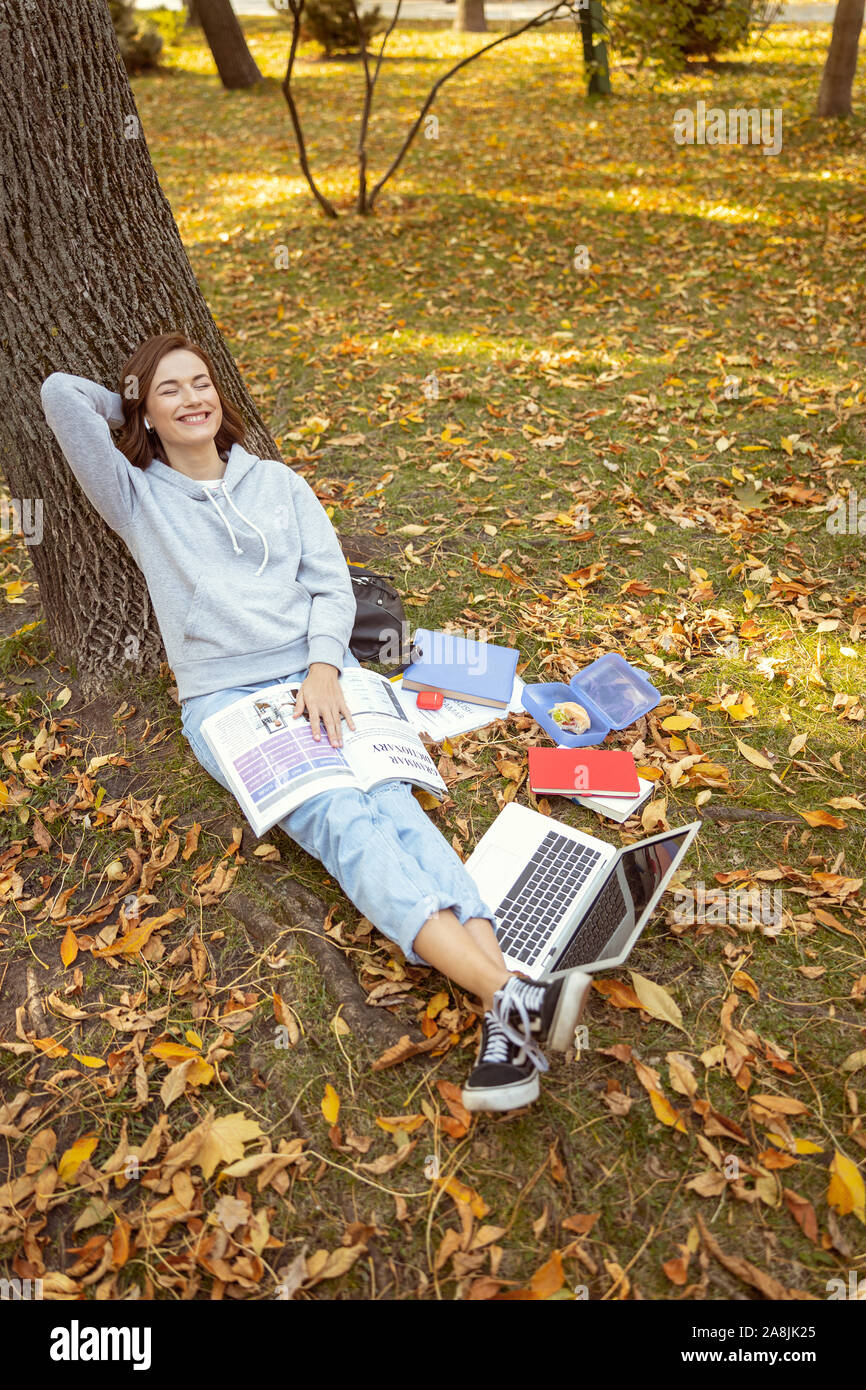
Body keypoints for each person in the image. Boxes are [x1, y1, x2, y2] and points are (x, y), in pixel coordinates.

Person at [40, 332, 590, 1112]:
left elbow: (332, 589)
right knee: (344, 822)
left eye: (203, 383)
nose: (195, 398)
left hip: (328, 677)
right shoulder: (136, 496)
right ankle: (512, 992)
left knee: (396, 811)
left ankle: (506, 1002)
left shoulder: (277, 484)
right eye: (171, 391)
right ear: (144, 412)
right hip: (231, 702)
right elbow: (62, 394)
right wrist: (130, 402)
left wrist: (327, 668)